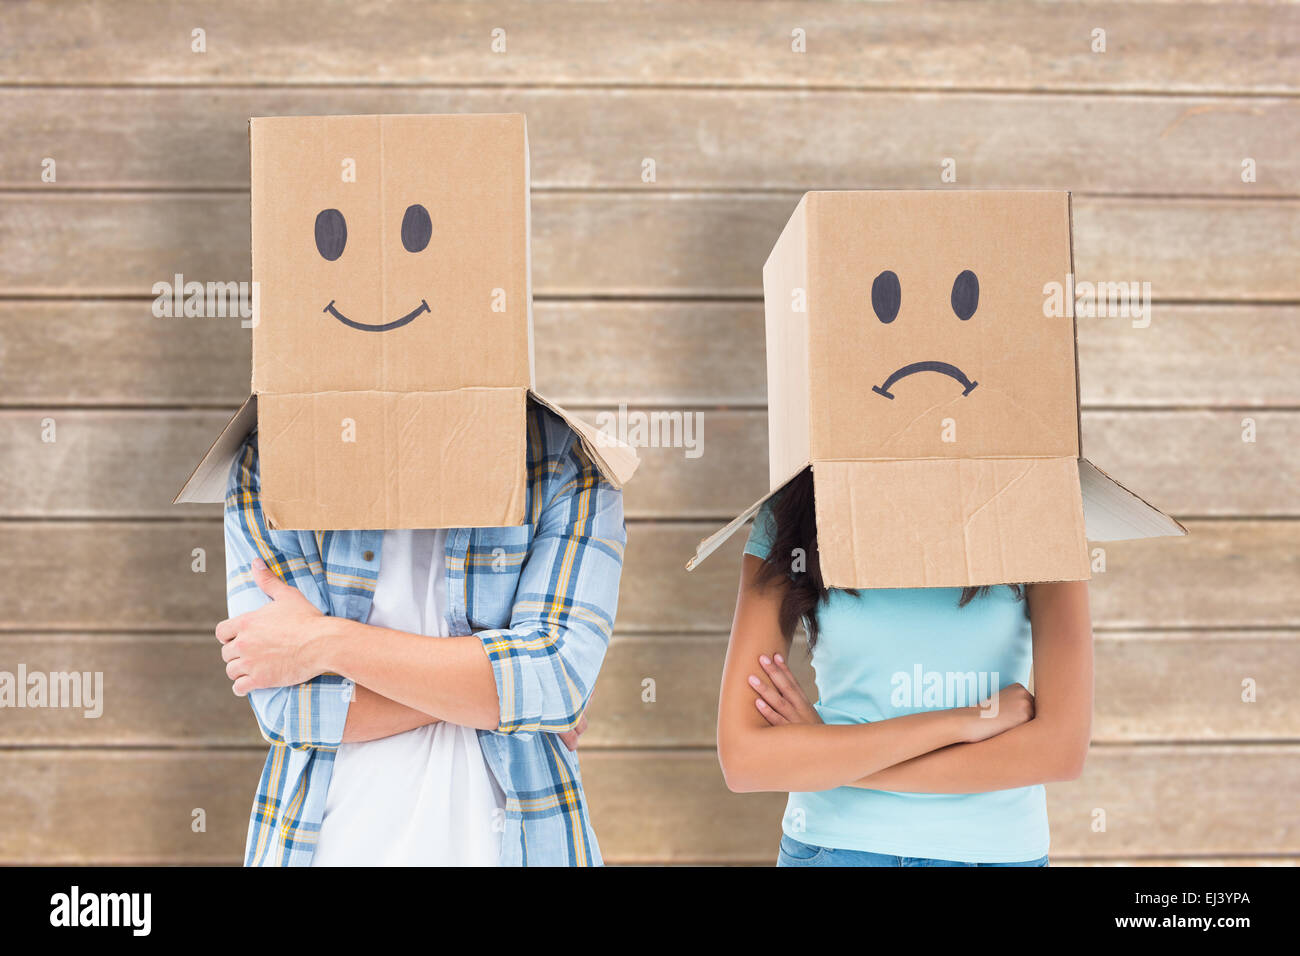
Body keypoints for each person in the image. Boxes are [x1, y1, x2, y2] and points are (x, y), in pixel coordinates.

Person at [216, 401, 626, 866]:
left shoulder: (560, 458)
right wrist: (499, 692)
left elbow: (556, 680)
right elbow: (288, 708)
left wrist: (322, 642)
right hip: (327, 844)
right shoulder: (272, 460)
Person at [716, 469, 1094, 867]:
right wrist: (959, 722)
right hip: (834, 849)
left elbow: (1060, 752)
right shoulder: (795, 508)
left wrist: (826, 760)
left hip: (995, 852)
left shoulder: (1040, 503)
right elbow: (745, 762)